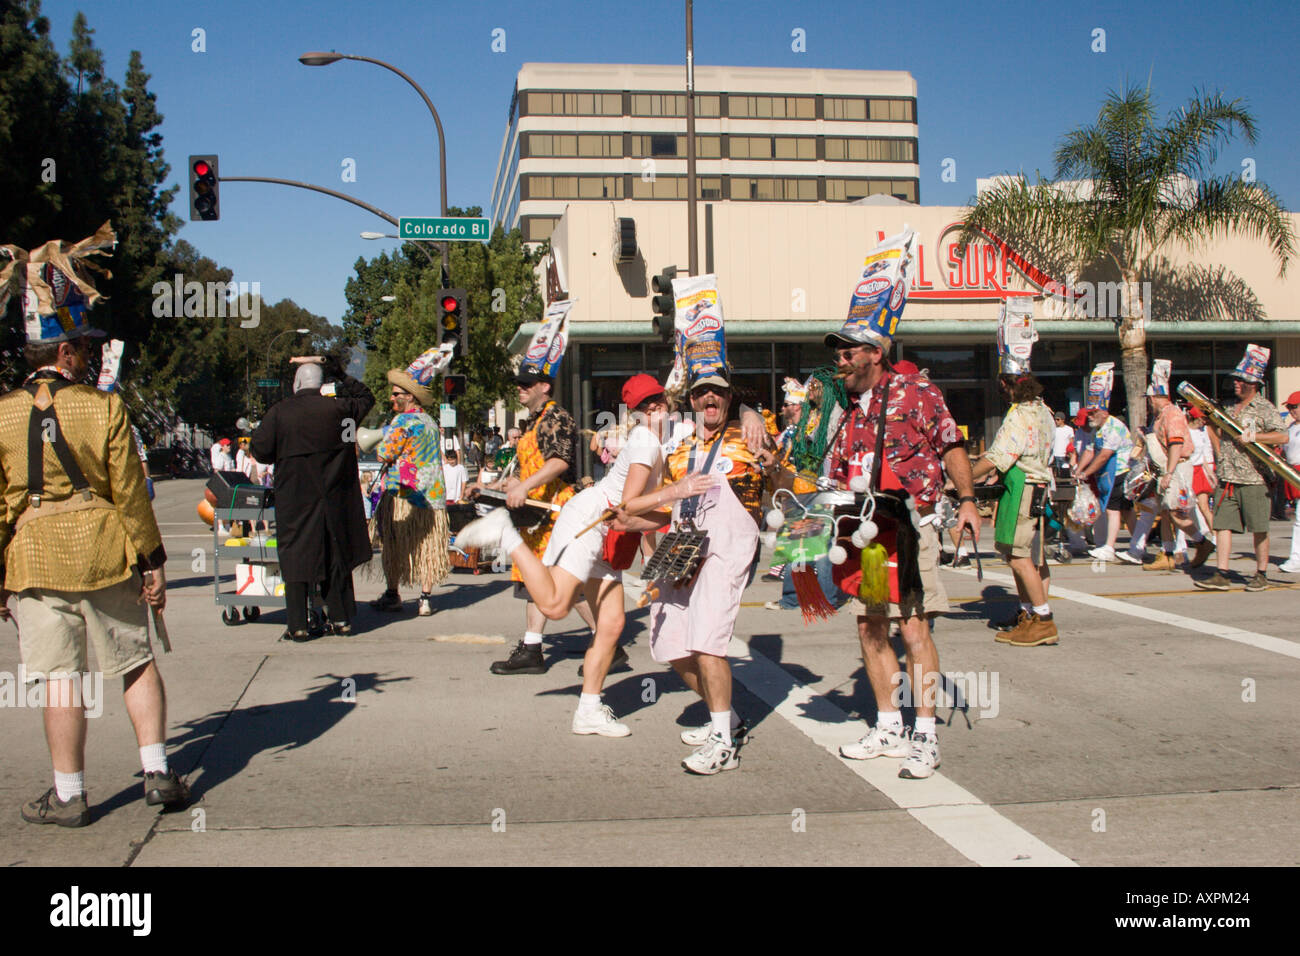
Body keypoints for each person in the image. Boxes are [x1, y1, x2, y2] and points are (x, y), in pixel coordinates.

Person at [0, 223, 187, 826]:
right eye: (83, 347)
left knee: (61, 679)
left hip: (32, 555)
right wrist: (152, 563)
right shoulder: (104, 406)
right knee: (134, 661)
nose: (90, 355)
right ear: (62, 352)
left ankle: (68, 794)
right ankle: (157, 772)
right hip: (105, 550)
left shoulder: (1, 417)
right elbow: (130, 494)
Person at [459, 374, 685, 735]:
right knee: (555, 606)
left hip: (606, 533)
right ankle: (505, 533)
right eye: (646, 404)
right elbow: (627, 508)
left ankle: (588, 711)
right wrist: (677, 503)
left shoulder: (660, 439)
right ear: (638, 412)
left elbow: (634, 516)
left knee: (611, 625)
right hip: (589, 521)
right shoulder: (645, 441)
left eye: (657, 400)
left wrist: (658, 542)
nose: (655, 407)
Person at [824, 313, 980, 780]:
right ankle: (889, 726)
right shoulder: (845, 405)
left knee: (914, 631)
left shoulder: (919, 392)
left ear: (876, 353)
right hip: (866, 535)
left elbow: (950, 445)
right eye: (838, 351)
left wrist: (968, 500)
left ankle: (925, 736)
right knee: (871, 628)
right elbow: (837, 467)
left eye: (850, 350)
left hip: (911, 528)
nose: (841, 358)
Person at [618, 368, 786, 773]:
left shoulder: (749, 436)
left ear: (729, 399)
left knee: (709, 641)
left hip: (727, 549)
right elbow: (667, 511)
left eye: (719, 394)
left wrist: (755, 420)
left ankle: (722, 744)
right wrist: (626, 521)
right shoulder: (677, 445)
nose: (710, 399)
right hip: (682, 545)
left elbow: (783, 485)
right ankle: (725, 717)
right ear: (691, 401)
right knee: (669, 640)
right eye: (702, 394)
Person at [470, 369, 596, 673]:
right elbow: (531, 469)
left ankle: (607, 640)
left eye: (527, 384)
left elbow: (560, 461)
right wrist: (500, 486)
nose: (520, 388)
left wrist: (525, 487)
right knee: (535, 580)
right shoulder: (535, 422)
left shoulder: (556, 417)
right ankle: (532, 648)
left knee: (564, 584)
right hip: (536, 514)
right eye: (518, 384)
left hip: (556, 512)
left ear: (545, 386)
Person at [251, 356, 374, 639]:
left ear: (296, 383)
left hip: (294, 497)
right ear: (322, 386)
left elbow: (260, 451)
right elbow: (365, 396)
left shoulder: (280, 413)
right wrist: (340, 373)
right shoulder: (340, 409)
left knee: (295, 556)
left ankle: (298, 625)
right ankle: (341, 619)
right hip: (334, 497)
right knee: (335, 555)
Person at [970, 309, 1058, 646]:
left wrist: (961, 479)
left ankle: (1044, 620)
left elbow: (997, 457)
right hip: (1036, 487)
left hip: (1025, 490)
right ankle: (1028, 612)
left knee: (1020, 557)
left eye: (1003, 386)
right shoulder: (1045, 411)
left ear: (1008, 385)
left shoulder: (1020, 415)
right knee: (1026, 556)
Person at [1194, 346, 1288, 591]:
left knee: (1259, 528)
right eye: (1236, 379)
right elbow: (1219, 435)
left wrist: (1255, 437)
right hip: (1227, 478)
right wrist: (1215, 442)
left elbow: (1282, 436)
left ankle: (1261, 573)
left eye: (1242, 380)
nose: (1236, 383)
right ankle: (1221, 573)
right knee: (1222, 525)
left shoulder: (1264, 407)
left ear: (1253, 383)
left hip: (1254, 479)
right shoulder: (1227, 408)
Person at [367, 348, 451, 617]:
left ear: (410, 396)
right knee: (428, 547)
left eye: (396, 394)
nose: (392, 397)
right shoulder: (428, 420)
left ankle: (393, 595)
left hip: (403, 494)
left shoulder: (401, 420)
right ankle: (424, 600)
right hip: (432, 494)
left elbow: (385, 454)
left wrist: (381, 440)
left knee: (394, 544)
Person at [1141, 361, 1213, 572]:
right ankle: (1168, 553)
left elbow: (1176, 443)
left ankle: (1202, 542)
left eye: (1149, 400)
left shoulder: (1172, 414)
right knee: (1165, 512)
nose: (1149, 404)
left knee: (1175, 512)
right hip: (1169, 467)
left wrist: (1169, 473)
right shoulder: (1161, 415)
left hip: (1178, 467)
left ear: (1154, 398)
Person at [1076, 365, 1138, 564]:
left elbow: (1104, 455)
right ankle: (1137, 545)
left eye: (1093, 413)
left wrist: (1087, 473)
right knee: (1127, 512)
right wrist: (1079, 468)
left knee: (1113, 510)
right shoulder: (1099, 429)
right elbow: (1091, 450)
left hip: (1120, 472)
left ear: (1103, 411)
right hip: (1109, 475)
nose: (1090, 417)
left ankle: (1109, 547)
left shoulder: (1113, 427)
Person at [1186, 407, 1218, 540]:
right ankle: (1199, 534)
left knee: (1204, 506)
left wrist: (1210, 473)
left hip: (1199, 471)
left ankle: (1215, 538)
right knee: (1186, 508)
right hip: (1187, 470)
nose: (1203, 422)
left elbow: (1202, 455)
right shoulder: (1185, 432)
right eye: (1201, 419)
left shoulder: (1201, 432)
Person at [1279, 392, 1300, 574]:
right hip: (1293, 472)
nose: (1291, 411)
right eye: (1290, 407)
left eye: (1295, 407)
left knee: (1299, 520)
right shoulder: (1291, 428)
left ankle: (1296, 559)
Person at [1052, 412, 1073, 476]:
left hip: (1065, 455)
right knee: (1056, 474)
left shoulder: (1069, 429)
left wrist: (1070, 453)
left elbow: (1071, 442)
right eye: (1055, 419)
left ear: (1063, 420)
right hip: (1055, 455)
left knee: (1065, 473)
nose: (1056, 421)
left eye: (1058, 419)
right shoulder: (1053, 429)